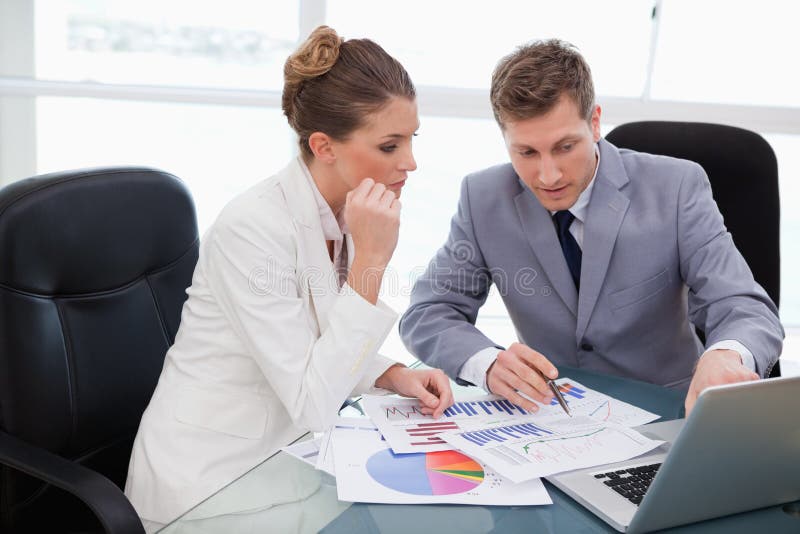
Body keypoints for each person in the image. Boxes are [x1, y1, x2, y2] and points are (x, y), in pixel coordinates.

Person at [125, 26, 453, 530]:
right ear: (324, 146)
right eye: (390, 145)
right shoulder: (252, 228)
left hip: (290, 466)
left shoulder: (345, 209)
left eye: (411, 139)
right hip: (209, 487)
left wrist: (389, 374)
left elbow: (315, 337)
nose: (410, 162)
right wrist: (370, 261)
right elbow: (312, 403)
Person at [399, 39, 782, 419]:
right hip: (553, 419)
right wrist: (487, 363)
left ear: (595, 122)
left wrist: (725, 355)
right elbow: (428, 312)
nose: (548, 176)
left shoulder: (676, 188)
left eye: (565, 147)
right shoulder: (483, 198)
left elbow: (745, 308)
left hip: (667, 414)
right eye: (527, 152)